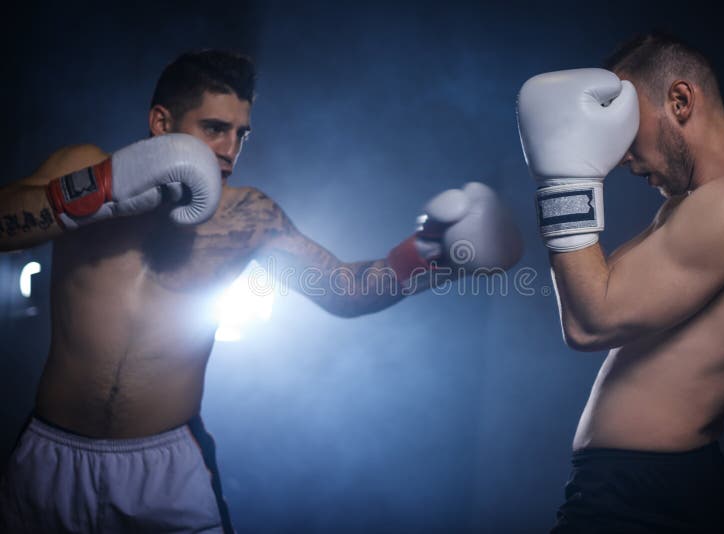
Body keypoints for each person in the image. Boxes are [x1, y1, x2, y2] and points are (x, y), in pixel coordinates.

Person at [0, 49, 522, 533]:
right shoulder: (83, 167)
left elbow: (345, 290)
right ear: (162, 122)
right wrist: (104, 190)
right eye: (213, 129)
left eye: (241, 135)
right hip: (51, 452)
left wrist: (435, 255)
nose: (229, 150)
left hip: (166, 465)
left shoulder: (248, 215)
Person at [517, 32, 724, 533]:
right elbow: (596, 289)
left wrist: (563, 180)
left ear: (680, 100)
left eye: (629, 126)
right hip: (639, 488)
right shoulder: (700, 204)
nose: (620, 155)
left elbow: (590, 322)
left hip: (645, 497)